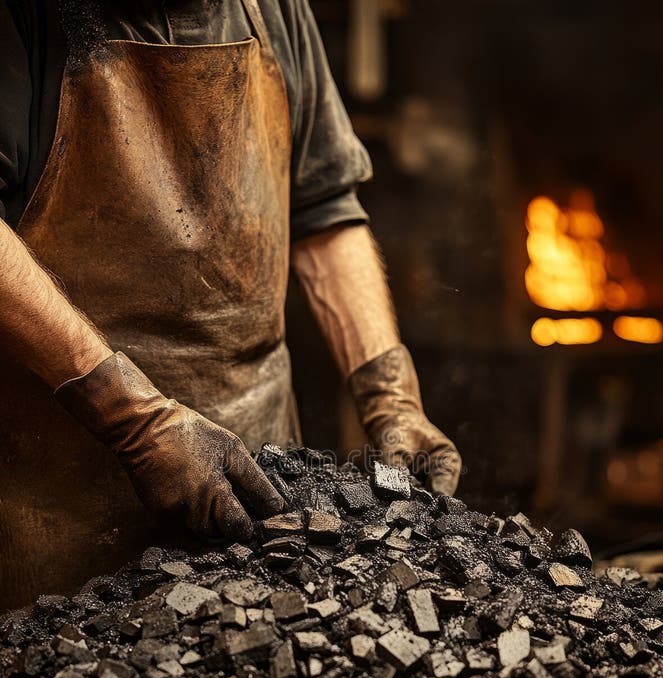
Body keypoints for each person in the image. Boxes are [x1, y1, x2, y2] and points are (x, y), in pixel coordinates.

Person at [0, 0, 461, 607]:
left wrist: (391, 397)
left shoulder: (275, 9)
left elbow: (323, 208)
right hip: (68, 511)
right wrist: (138, 424)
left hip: (268, 515)